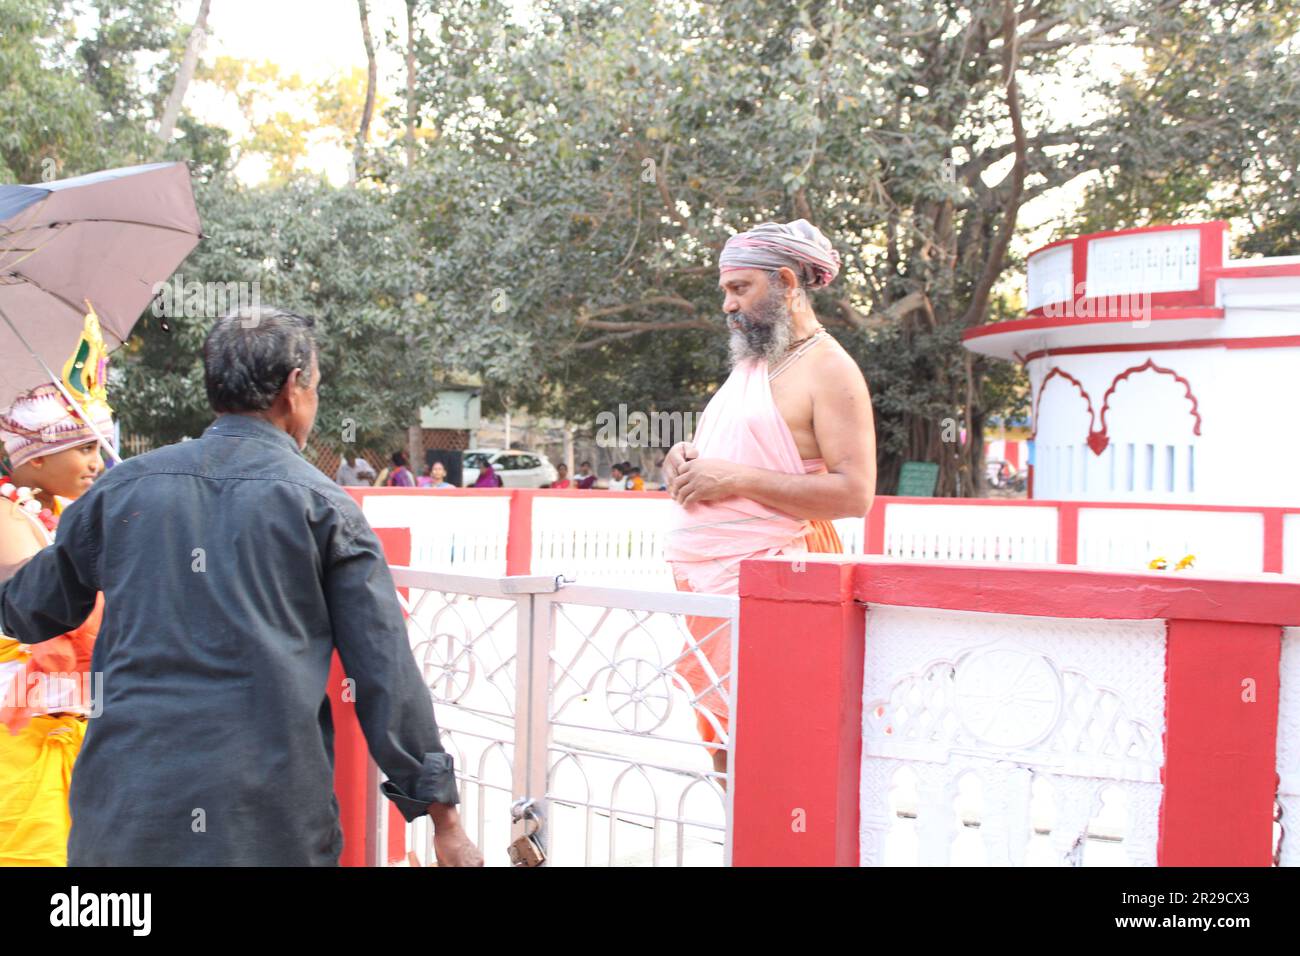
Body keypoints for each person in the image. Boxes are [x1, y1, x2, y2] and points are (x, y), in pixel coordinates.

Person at [0, 306, 482, 866]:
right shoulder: (324, 508)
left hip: (128, 815)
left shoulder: (122, 491)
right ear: (293, 388)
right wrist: (442, 817)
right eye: (316, 385)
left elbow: (27, 610)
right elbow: (384, 671)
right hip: (265, 822)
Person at [663, 219, 876, 780]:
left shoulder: (830, 369)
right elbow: (729, 454)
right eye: (725, 291)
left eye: (740, 288)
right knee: (726, 750)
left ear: (785, 281)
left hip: (779, 582)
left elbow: (855, 493)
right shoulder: (754, 366)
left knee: (774, 749)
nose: (728, 305)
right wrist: (682, 458)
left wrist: (735, 479)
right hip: (714, 588)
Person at [0, 313, 112, 866]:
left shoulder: (62, 516)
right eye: (84, 448)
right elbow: (41, 612)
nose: (96, 462)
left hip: (74, 728)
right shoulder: (7, 517)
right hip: (21, 740)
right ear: (37, 457)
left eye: (98, 448)